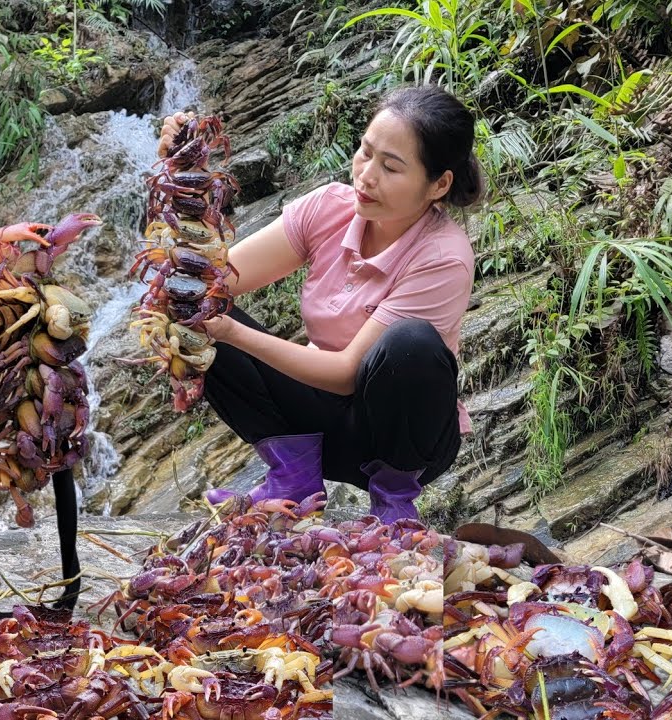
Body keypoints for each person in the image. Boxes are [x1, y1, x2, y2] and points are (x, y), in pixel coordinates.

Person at [154, 84, 483, 523]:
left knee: (411, 344)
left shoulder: (443, 257)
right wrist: (179, 173)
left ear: (439, 184)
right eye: (365, 153)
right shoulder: (329, 207)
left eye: (391, 167)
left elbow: (348, 374)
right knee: (186, 300)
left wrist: (232, 333)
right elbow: (211, 279)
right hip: (320, 422)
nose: (366, 175)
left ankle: (394, 501)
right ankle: (294, 474)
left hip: (402, 439)